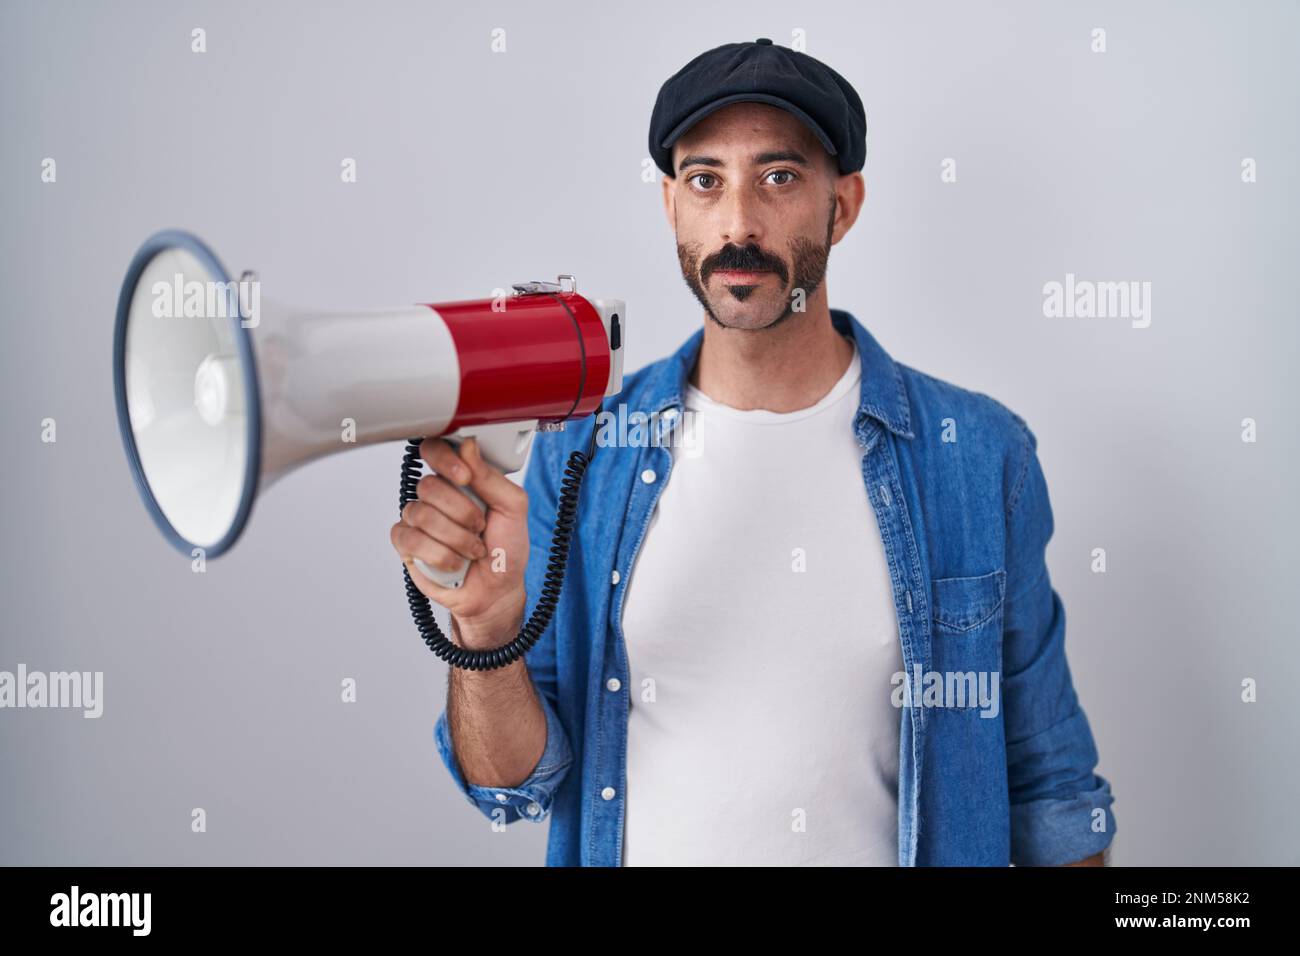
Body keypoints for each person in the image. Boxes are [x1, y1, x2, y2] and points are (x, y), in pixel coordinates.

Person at [390, 38, 1116, 867]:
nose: (738, 223)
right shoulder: (586, 452)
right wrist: (485, 629)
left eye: (779, 178)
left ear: (842, 206)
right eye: (706, 181)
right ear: (671, 205)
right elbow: (514, 785)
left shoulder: (980, 457)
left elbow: (1054, 790)